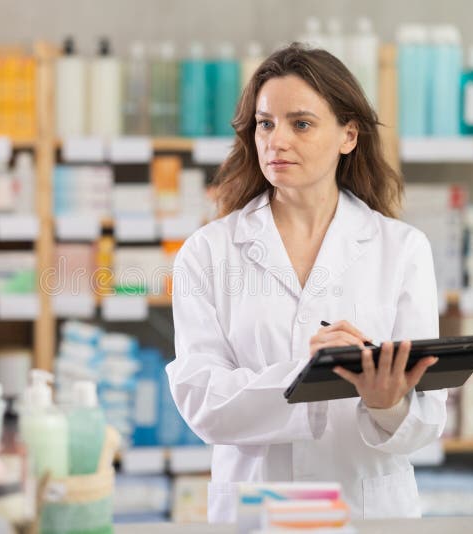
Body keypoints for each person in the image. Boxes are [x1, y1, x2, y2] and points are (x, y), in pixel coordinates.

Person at [166, 43, 447, 523]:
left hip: (366, 507)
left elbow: (428, 417)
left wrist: (388, 405)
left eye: (301, 123)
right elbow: (202, 400)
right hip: (260, 508)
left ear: (348, 135)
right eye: (265, 123)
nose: (277, 141)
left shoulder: (401, 249)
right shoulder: (207, 252)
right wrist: (306, 376)